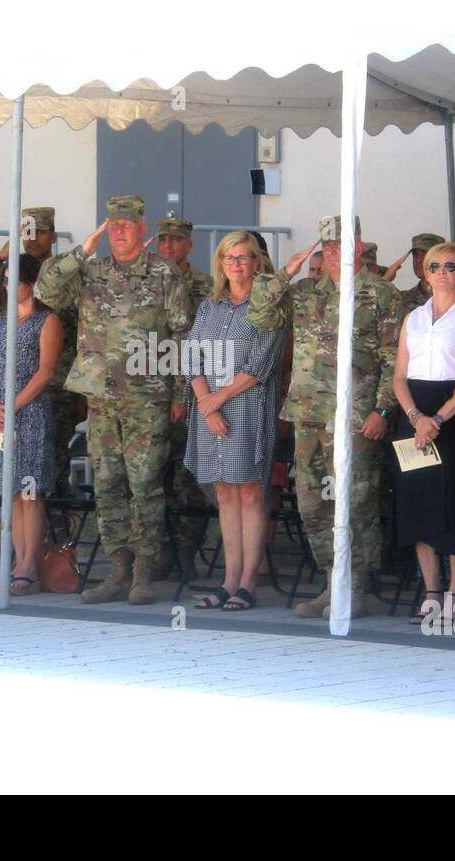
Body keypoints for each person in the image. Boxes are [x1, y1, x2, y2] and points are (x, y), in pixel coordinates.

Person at [36, 195, 191, 605]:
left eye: (128, 223)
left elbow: (181, 335)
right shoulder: (90, 272)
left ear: (143, 229)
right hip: (102, 399)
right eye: (113, 223)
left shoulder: (164, 272)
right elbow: (46, 287)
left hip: (148, 398)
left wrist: (180, 393)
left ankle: (142, 573)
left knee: (145, 487)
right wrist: (81, 249)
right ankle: (117, 571)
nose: (120, 229)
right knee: (107, 487)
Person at [248, 215, 404, 620]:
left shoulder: (382, 295)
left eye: (341, 245)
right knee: (313, 502)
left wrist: (383, 409)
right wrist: (286, 270)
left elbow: (393, 360)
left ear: (358, 246)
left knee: (355, 500)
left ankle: (358, 586)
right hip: (309, 414)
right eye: (327, 247)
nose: (333, 253)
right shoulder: (304, 292)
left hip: (356, 417)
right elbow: (260, 314)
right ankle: (332, 580)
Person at [184, 232, 285, 611]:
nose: (236, 264)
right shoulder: (209, 307)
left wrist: (217, 400)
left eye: (244, 257)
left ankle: (248, 583)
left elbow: (261, 363)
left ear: (257, 263)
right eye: (229, 257)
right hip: (210, 411)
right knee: (224, 493)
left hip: (246, 406)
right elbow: (191, 356)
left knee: (249, 492)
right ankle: (228, 580)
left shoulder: (268, 306)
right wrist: (205, 403)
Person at [391, 242, 455, 621]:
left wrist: (438, 420)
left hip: (453, 414)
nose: (443, 272)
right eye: (436, 266)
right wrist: (417, 417)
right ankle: (430, 589)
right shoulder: (412, 318)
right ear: (425, 273)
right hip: (414, 413)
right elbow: (399, 376)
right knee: (418, 501)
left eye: (451, 266)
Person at [0, 206, 84, 496]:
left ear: (52, 235)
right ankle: (17, 539)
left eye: (39, 231)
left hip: (57, 389)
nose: (32, 238)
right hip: (6, 395)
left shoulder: (68, 275)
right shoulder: (8, 272)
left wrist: (82, 393)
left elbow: (85, 336)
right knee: (8, 471)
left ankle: (56, 536)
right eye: (26, 231)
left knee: (50, 468)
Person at [0, 253, 64, 596]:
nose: (8, 285)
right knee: (10, 492)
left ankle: (31, 563)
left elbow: (45, 372)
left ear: (30, 282)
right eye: (5, 280)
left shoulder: (47, 321)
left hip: (28, 414)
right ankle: (17, 559)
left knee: (29, 491)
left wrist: (13, 405)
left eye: (15, 279)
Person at [154, 212, 214, 579]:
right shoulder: (146, 283)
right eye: (162, 240)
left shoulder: (204, 286)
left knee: (189, 479)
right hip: (148, 393)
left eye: (175, 240)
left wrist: (184, 394)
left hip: (194, 394)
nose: (167, 246)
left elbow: (202, 345)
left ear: (189, 245)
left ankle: (186, 557)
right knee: (154, 478)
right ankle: (159, 554)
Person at [397, 233, 443, 310]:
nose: (418, 260)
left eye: (425, 254)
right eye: (415, 255)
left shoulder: (454, 297)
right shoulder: (403, 299)